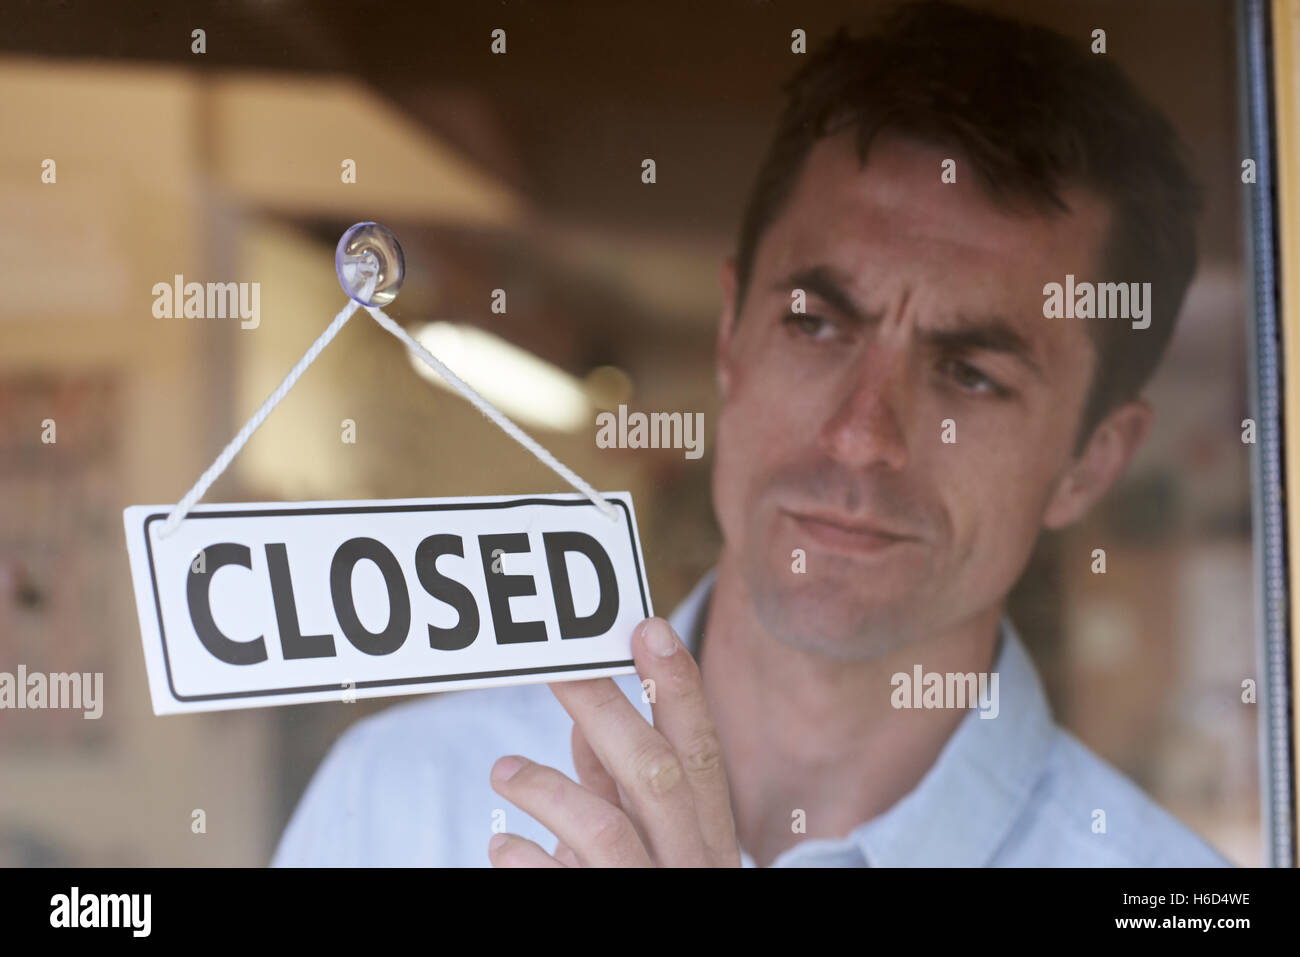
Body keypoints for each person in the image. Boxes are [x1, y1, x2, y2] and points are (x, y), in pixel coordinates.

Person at [273, 1, 1229, 867]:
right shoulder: (397, 803)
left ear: (1090, 461)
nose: (861, 436)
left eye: (972, 374)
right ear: (733, 338)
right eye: (815, 323)